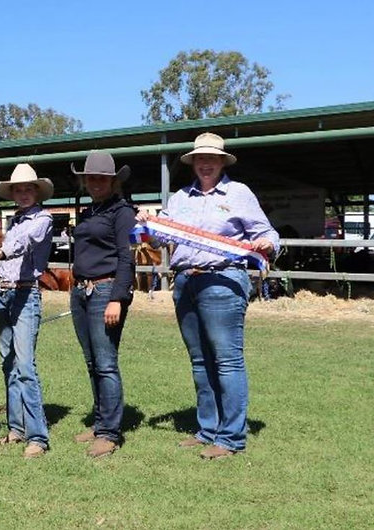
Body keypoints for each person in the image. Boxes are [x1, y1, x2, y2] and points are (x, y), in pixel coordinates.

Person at [138, 132, 278, 459]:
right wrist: (148, 224)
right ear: (193, 162)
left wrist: (267, 244)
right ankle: (207, 429)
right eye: (200, 158)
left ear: (222, 162)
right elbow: (159, 240)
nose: (205, 163)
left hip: (222, 280)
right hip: (185, 281)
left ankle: (231, 438)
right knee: (200, 361)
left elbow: (267, 232)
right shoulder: (179, 198)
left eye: (211, 158)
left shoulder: (239, 193)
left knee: (227, 360)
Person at [0, 163, 54, 458]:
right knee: (8, 363)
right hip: (2, 292)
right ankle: (16, 428)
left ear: (37, 192)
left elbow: (25, 243)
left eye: (28, 189)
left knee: (25, 366)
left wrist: (0, 252)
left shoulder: (43, 220)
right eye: (18, 189)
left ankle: (38, 437)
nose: (23, 194)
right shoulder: (14, 221)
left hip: (25, 294)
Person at [68, 151, 136, 458]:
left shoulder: (122, 213)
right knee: (92, 361)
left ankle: (109, 432)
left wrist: (117, 298)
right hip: (81, 291)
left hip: (105, 290)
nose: (95, 183)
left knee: (106, 363)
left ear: (112, 181)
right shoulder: (89, 211)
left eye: (101, 178)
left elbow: (126, 257)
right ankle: (100, 423)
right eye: (91, 178)